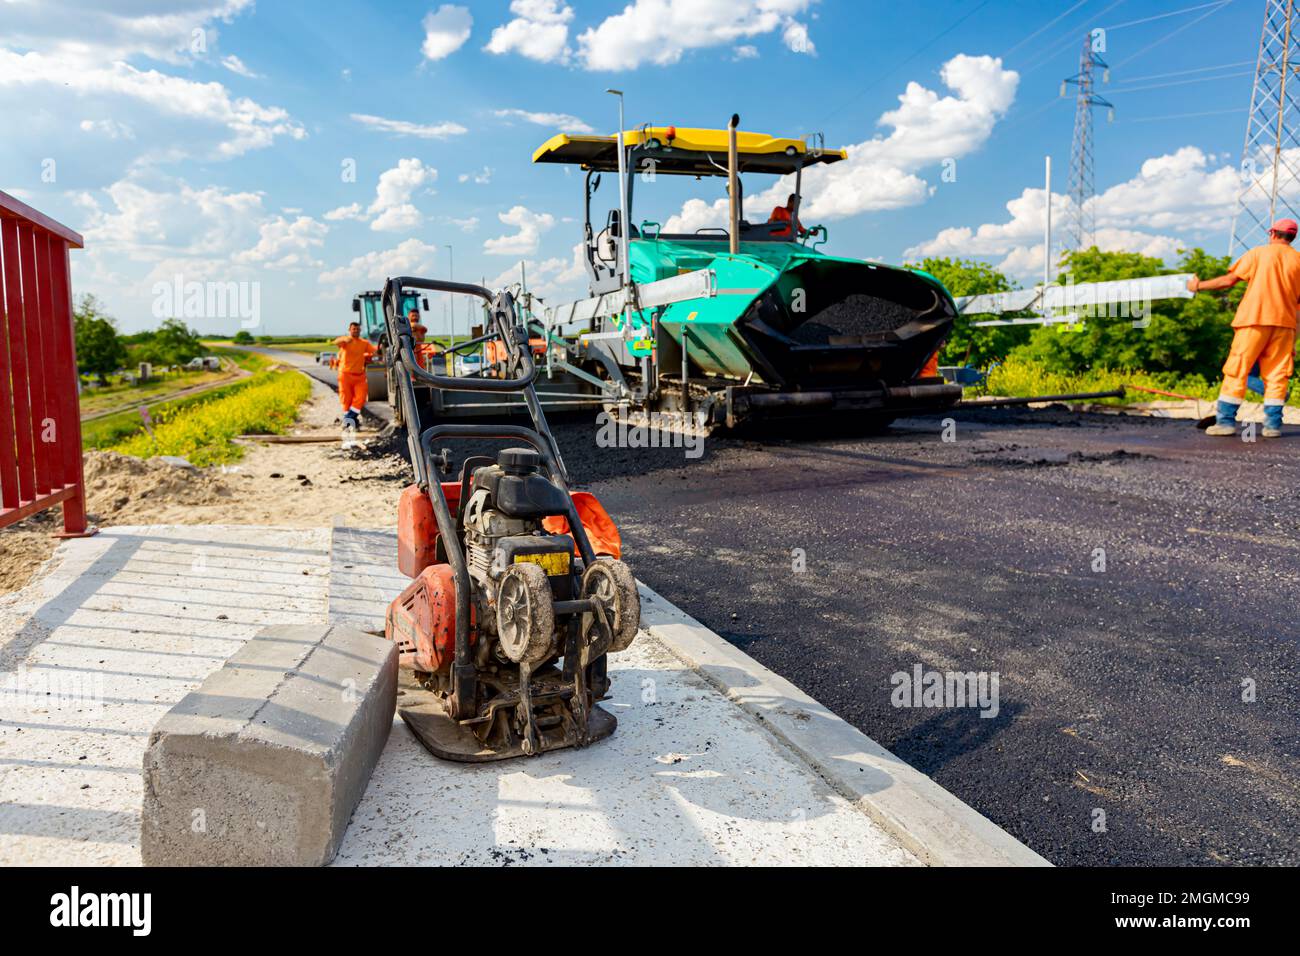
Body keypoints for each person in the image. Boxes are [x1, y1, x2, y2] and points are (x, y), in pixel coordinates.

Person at [1188, 218, 1300, 438]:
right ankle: (1272, 427)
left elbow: (1229, 281)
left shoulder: (1258, 254)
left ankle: (1226, 422)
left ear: (1273, 234)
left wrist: (1198, 286)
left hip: (1253, 320)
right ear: (1292, 238)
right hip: (1285, 325)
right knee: (1277, 375)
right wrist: (1294, 338)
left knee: (1237, 369)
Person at [333, 320, 377, 428]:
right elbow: (336, 342)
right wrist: (344, 338)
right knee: (346, 400)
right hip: (345, 375)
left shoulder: (364, 343)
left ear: (360, 330)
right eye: (353, 329)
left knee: (361, 397)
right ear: (349, 330)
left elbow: (375, 351)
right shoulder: (345, 342)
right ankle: (351, 423)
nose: (356, 331)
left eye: (357, 329)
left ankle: (348, 418)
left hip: (359, 376)